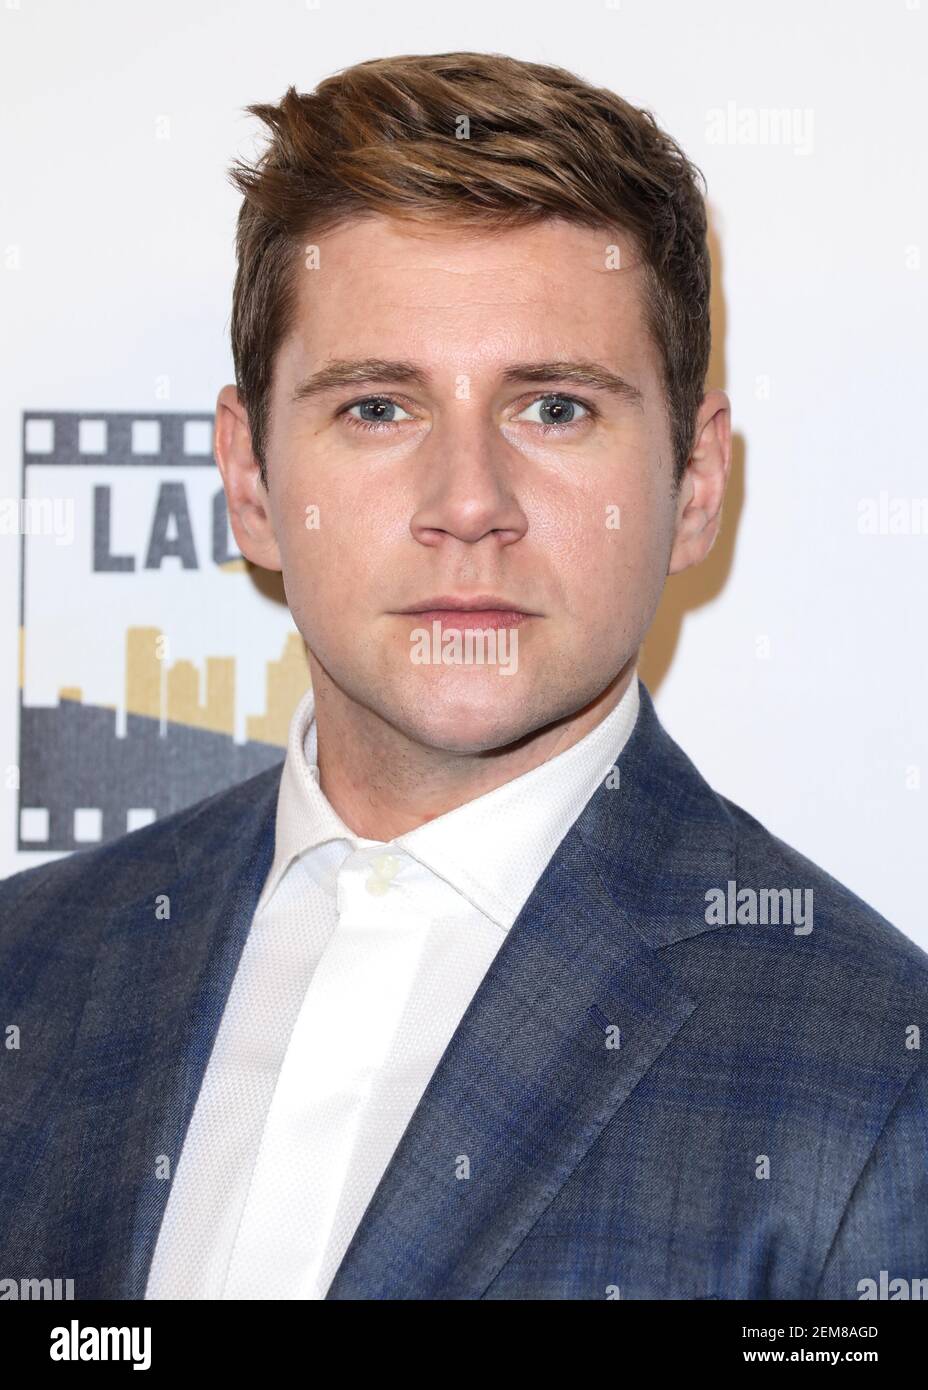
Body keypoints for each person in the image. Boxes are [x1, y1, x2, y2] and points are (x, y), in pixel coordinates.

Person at [1, 51, 925, 1302]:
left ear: (694, 485)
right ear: (251, 479)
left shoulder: (872, 1079)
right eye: (379, 408)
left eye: (552, 408)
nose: (469, 506)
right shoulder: (31, 970)